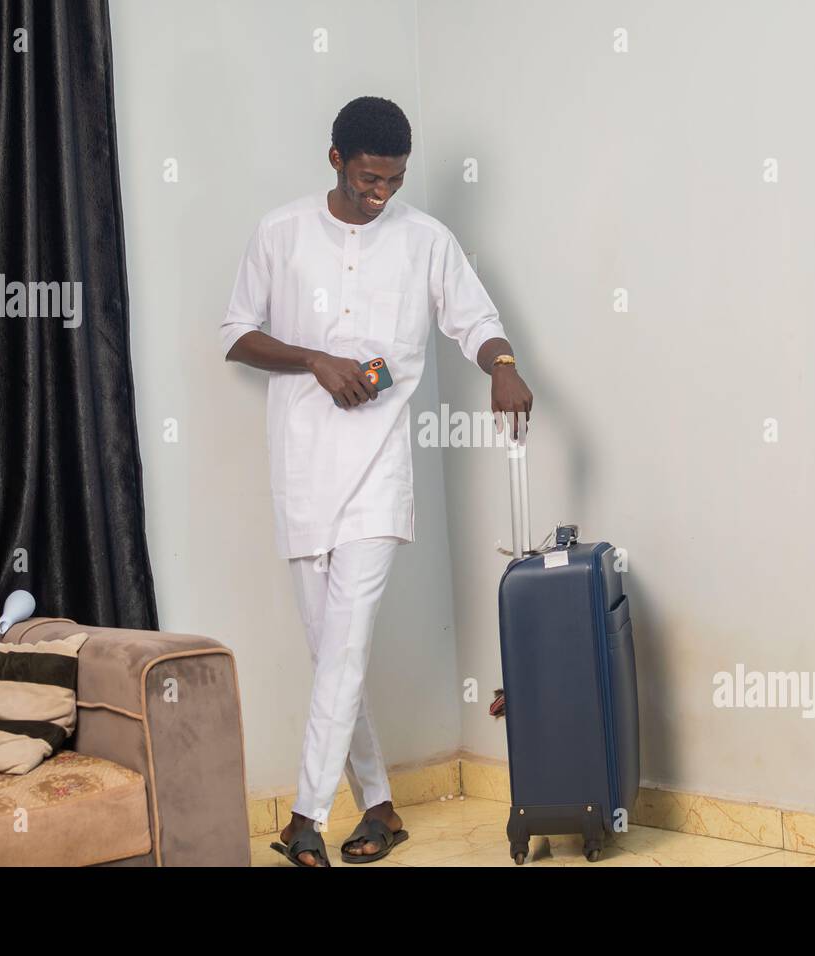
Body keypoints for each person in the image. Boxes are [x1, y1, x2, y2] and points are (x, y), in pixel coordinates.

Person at [221, 96, 533, 866]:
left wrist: (502, 364)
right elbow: (235, 334)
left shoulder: (425, 239)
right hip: (299, 471)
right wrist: (313, 361)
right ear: (335, 159)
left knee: (346, 647)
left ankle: (304, 820)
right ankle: (383, 810)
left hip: (379, 476)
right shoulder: (281, 232)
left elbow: (473, 316)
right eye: (368, 178)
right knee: (336, 656)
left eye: (393, 180)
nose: (380, 194)